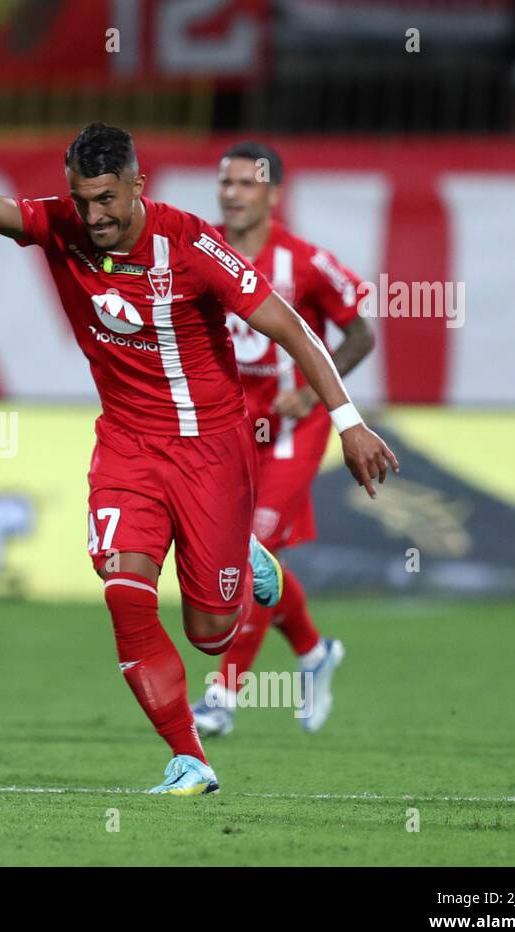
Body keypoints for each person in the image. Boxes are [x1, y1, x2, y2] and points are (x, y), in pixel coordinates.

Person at [0, 103, 397, 795]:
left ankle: (241, 555)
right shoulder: (60, 222)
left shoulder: (191, 245)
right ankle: (189, 759)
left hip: (213, 449)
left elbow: (294, 328)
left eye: (107, 201)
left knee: (211, 632)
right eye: (84, 201)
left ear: (137, 184)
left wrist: (349, 420)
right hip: (126, 444)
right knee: (124, 590)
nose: (93, 218)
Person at [191, 141, 376, 738]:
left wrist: (319, 392)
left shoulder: (306, 262)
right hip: (230, 433)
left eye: (247, 184)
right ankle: (314, 650)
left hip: (296, 431)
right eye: (226, 182)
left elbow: (360, 335)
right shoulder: (198, 250)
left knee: (249, 553)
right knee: (252, 559)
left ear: (273, 194)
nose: (233, 194)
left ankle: (221, 695)